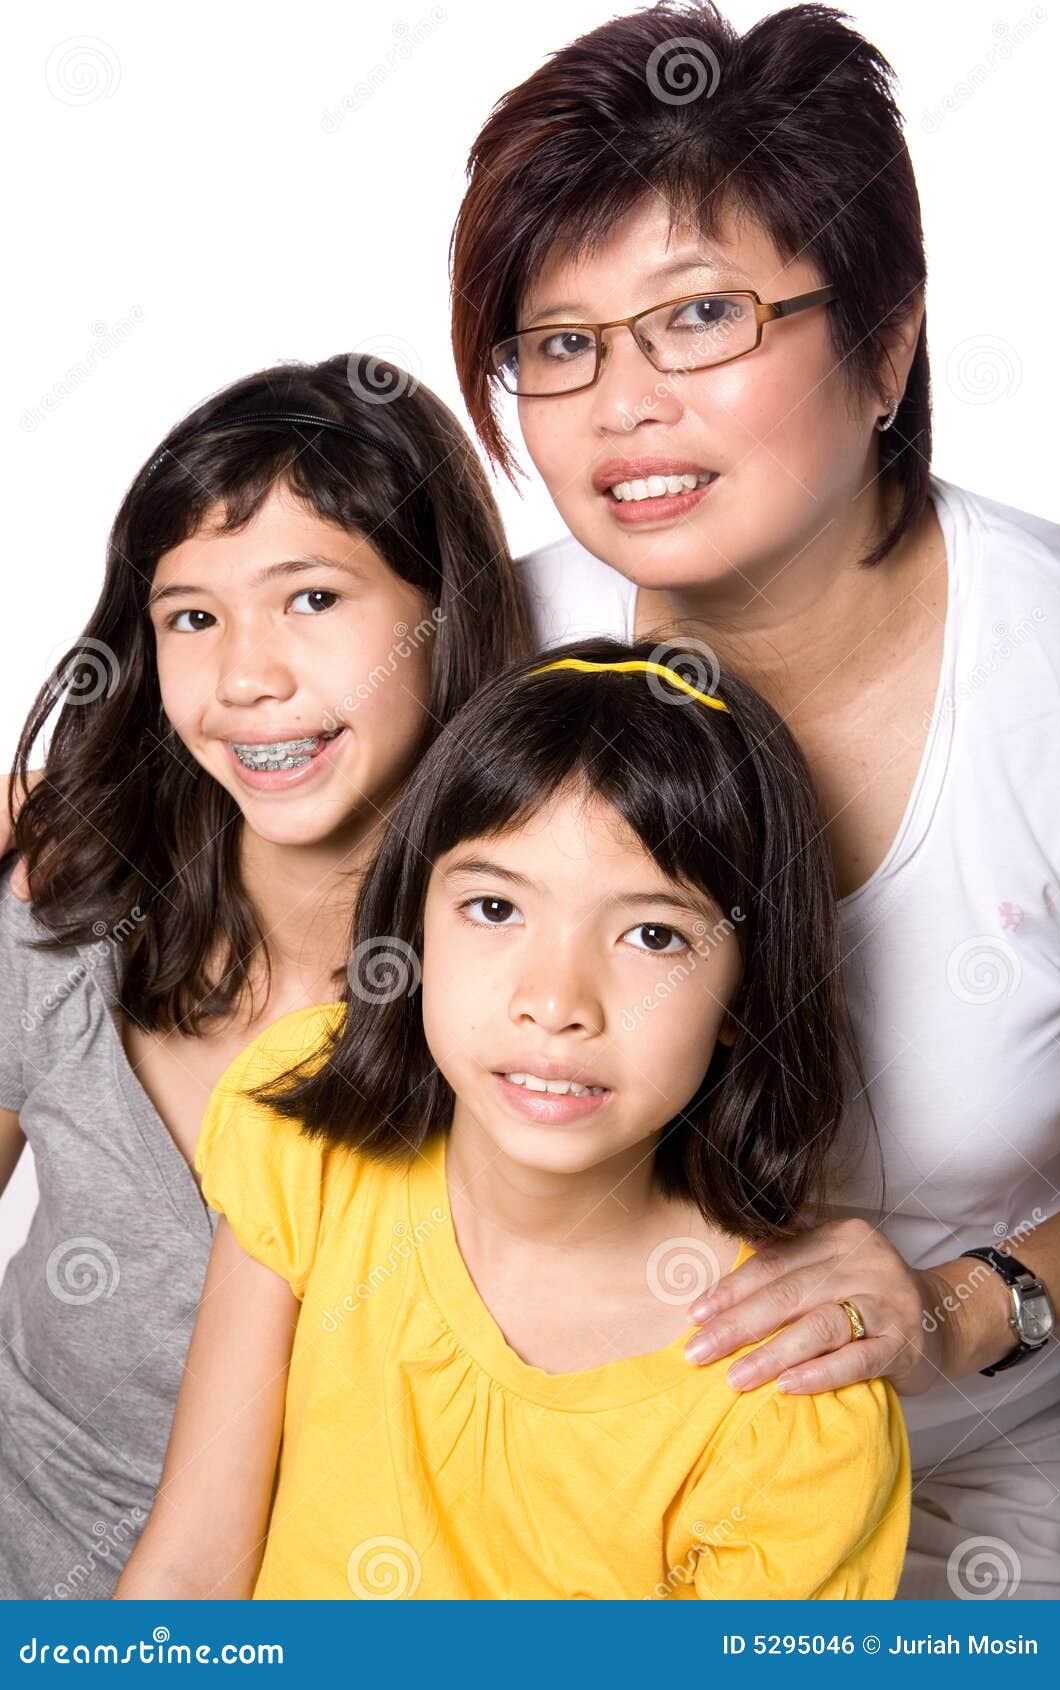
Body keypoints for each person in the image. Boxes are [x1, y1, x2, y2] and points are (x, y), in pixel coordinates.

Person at [448, 0, 1060, 1599]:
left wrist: (964, 1302)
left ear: (883, 343)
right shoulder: (484, 647)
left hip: (974, 1465)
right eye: (558, 342)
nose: (618, 405)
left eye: (699, 318)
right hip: (555, 1438)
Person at [113, 638, 910, 1600]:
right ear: (412, 929)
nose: (554, 1000)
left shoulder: (791, 1399)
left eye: (651, 935)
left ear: (746, 992)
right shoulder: (312, 1137)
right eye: (494, 908)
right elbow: (193, 1569)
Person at [0, 354, 530, 1597]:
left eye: (311, 599)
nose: (246, 677)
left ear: (439, 610)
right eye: (191, 614)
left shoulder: (530, 1010)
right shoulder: (62, 915)